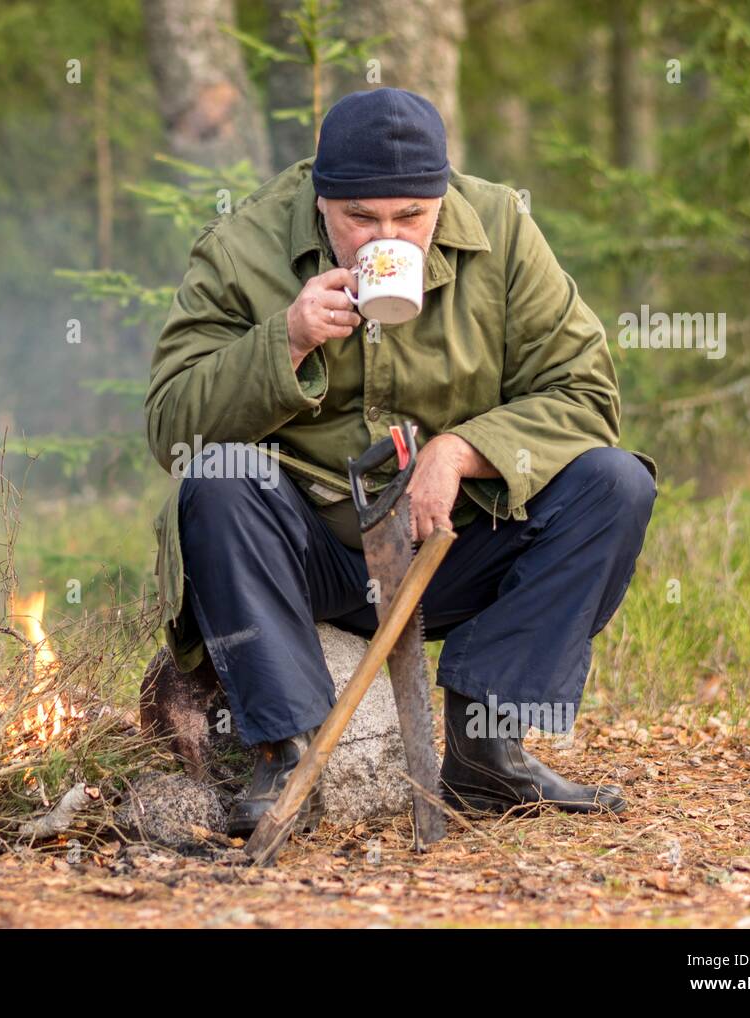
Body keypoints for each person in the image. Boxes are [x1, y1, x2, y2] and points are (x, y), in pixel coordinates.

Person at [143, 87, 658, 837]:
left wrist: (464, 449)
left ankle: (488, 750)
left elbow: (584, 392)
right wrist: (283, 341)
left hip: (450, 542)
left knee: (613, 484)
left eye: (412, 217)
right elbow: (170, 426)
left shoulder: (504, 230)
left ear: (443, 198)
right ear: (320, 201)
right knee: (220, 480)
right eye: (361, 219)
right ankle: (286, 753)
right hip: (306, 556)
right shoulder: (242, 245)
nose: (390, 237)